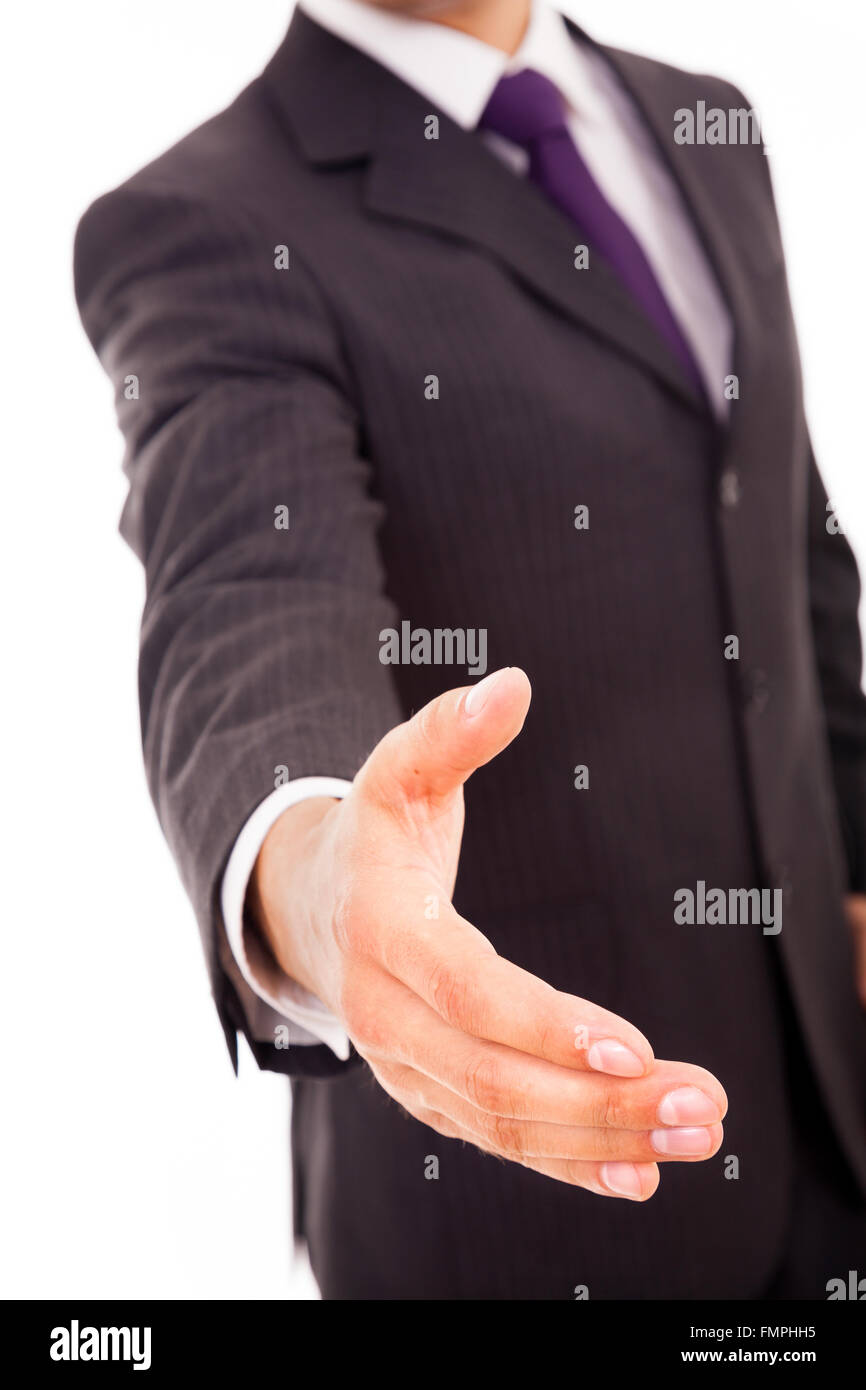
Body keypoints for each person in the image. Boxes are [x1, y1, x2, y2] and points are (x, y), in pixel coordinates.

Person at [74, 0, 866, 1299]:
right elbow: (248, 587)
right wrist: (318, 884)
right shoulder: (205, 220)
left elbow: (782, 541)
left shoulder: (707, 120)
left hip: (828, 1122)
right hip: (530, 1217)